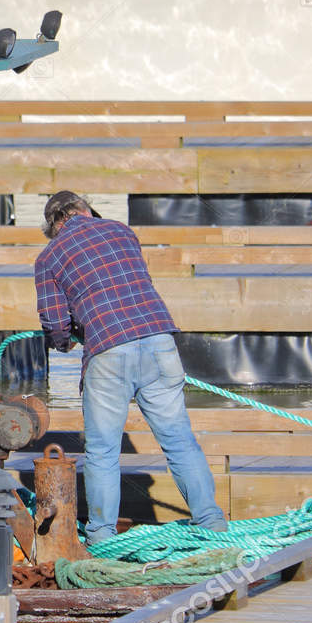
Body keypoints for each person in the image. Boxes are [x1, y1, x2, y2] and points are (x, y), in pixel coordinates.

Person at [33, 191, 227, 545]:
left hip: (108, 350)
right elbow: (137, 282)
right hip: (158, 339)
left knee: (103, 452)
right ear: (85, 210)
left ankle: (102, 538)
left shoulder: (49, 257)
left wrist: (65, 341)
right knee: (180, 441)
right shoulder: (121, 231)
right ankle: (212, 523)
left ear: (55, 224)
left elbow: (55, 321)